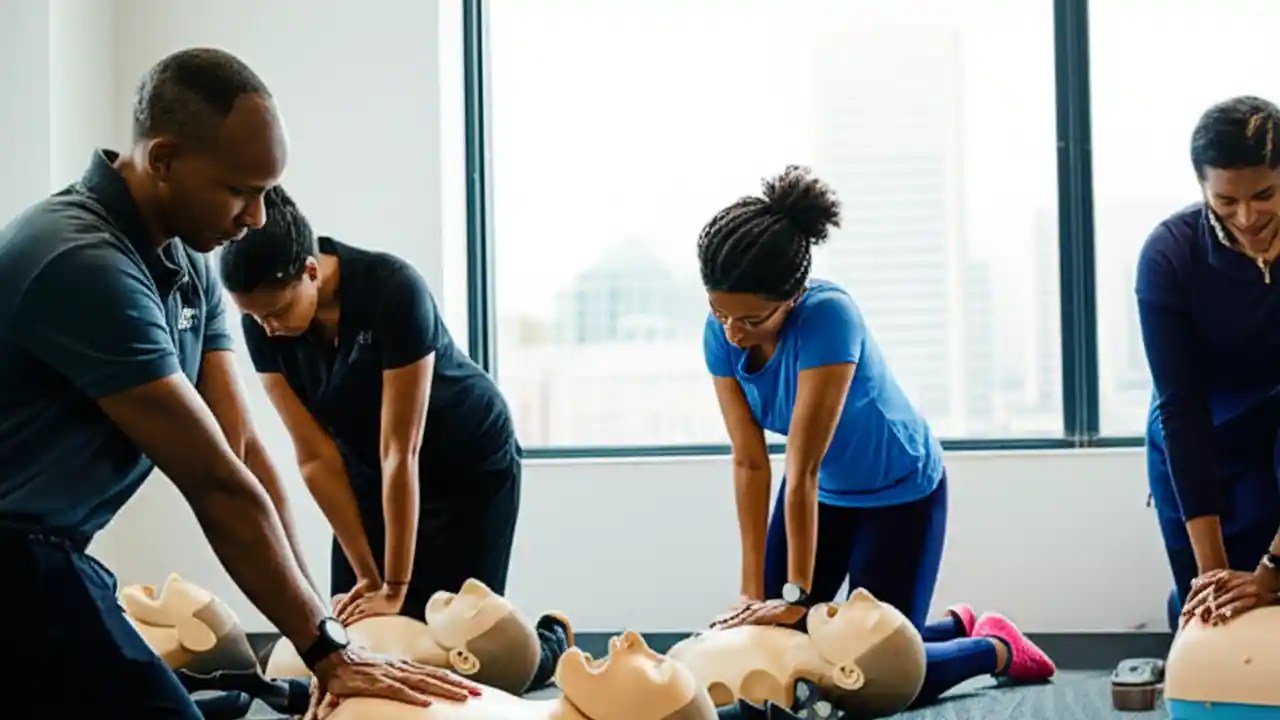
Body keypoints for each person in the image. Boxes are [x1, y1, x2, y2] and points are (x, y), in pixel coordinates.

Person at [0, 47, 481, 717]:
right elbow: (215, 483)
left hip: (48, 556)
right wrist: (327, 648)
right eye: (239, 190)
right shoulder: (82, 263)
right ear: (163, 160)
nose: (257, 218)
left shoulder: (184, 259)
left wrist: (321, 634)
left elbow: (244, 451)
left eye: (265, 190)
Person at [696, 166, 1056, 697]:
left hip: (899, 493)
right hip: (823, 495)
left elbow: (803, 466)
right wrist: (754, 596)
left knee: (879, 677)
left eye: (751, 318)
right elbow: (750, 462)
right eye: (719, 311)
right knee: (784, 646)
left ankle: (995, 646)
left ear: (792, 296)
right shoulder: (722, 332)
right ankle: (953, 626)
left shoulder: (829, 319)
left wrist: (796, 596)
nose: (732, 331)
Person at [215, 185, 569, 685]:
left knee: (473, 659)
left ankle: (551, 641)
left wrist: (396, 583)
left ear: (311, 272)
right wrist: (369, 575)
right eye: (253, 317)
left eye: (274, 313)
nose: (266, 328)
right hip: (365, 467)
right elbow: (314, 456)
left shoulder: (390, 288)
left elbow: (401, 450)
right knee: (350, 648)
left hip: (465, 460)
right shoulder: (264, 325)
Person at [1136, 94, 1280, 632]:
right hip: (1197, 438)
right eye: (1226, 201)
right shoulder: (1169, 256)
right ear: (1202, 189)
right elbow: (1182, 411)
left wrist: (1270, 571)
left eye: (1264, 195)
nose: (1247, 218)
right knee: (1213, 607)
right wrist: (1214, 578)